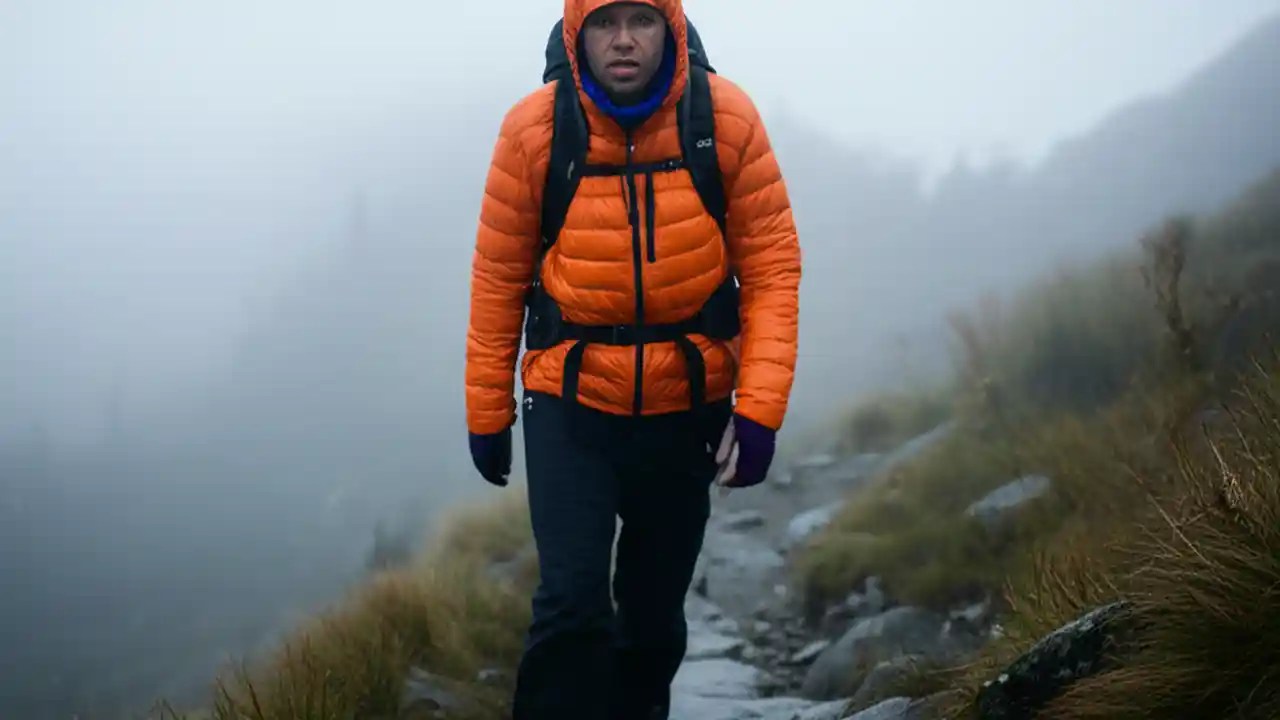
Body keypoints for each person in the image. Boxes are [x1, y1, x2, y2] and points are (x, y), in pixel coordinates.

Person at [463, 0, 801, 717]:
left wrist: (759, 410)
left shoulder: (724, 119)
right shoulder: (534, 130)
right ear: (575, 31)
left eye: (641, 20)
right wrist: (487, 412)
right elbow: (498, 279)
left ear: (670, 27)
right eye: (604, 22)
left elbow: (772, 268)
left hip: (688, 404)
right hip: (569, 403)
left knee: (651, 624)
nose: (623, 40)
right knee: (571, 605)